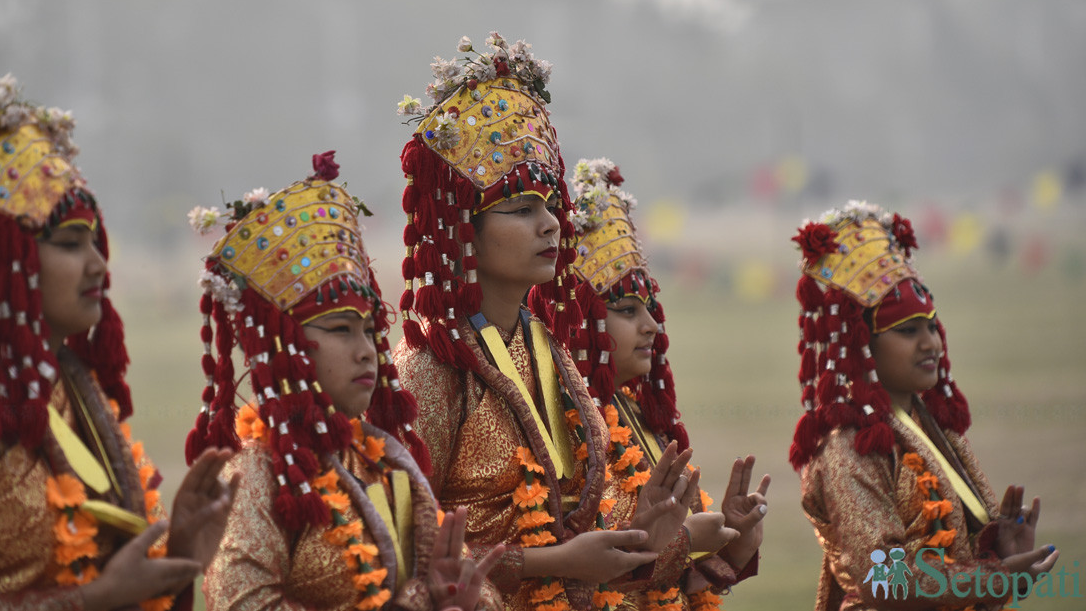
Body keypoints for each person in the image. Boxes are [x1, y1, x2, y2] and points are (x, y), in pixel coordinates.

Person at [393, 33, 733, 611]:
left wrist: (654, 533)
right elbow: (407, 557)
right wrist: (554, 564)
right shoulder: (430, 368)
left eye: (550, 205)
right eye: (522, 209)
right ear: (461, 230)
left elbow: (588, 526)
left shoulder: (548, 350)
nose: (551, 224)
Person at [0, 76, 236, 611]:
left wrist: (181, 549)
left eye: (96, 242)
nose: (98, 263)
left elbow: (115, 581)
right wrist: (94, 600)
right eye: (73, 244)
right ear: (7, 260)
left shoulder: (76, 391)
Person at [188, 152, 503, 611]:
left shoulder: (384, 459)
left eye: (369, 330)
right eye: (340, 330)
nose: (366, 350)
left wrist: (466, 599)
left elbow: (467, 578)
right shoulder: (256, 475)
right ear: (282, 347)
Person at [790, 201, 1059, 610]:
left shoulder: (931, 426)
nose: (930, 343)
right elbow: (884, 579)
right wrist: (995, 577)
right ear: (863, 342)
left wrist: (997, 553)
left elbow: (956, 564)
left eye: (933, 326)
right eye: (909, 330)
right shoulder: (849, 447)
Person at [533, 158, 767, 609]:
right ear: (580, 319)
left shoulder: (637, 417)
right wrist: (680, 539)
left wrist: (735, 545)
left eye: (649, 310)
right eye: (626, 311)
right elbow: (587, 576)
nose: (652, 327)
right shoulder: (561, 424)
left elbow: (677, 585)